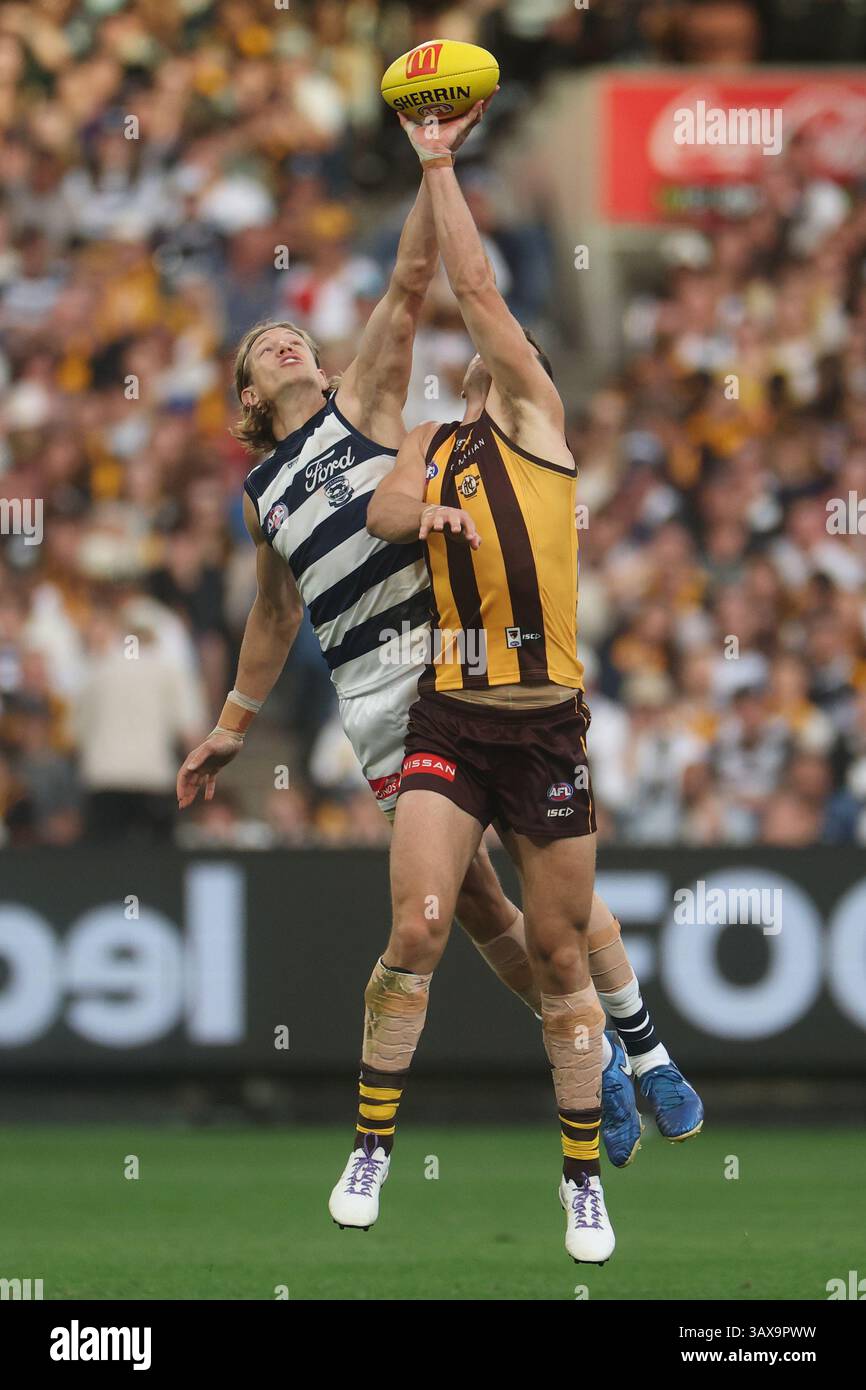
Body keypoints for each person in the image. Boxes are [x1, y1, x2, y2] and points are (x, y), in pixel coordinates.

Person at [175, 118, 700, 1220]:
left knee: (538, 898)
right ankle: (597, 1051)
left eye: (291, 336)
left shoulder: (360, 401)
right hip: (367, 707)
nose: (281, 341)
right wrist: (232, 723)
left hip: (447, 671)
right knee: (467, 914)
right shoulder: (262, 494)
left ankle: (620, 1050)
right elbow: (274, 613)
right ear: (243, 397)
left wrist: (430, 159)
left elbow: (417, 277)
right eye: (260, 345)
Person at [328, 102, 701, 1264]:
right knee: (419, 923)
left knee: (553, 948)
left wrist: (436, 165)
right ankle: (372, 1147)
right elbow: (383, 504)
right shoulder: (434, 441)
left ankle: (580, 1179)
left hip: (544, 728)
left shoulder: (539, 420)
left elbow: (476, 290)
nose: (490, 344)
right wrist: (422, 505)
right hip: (449, 716)